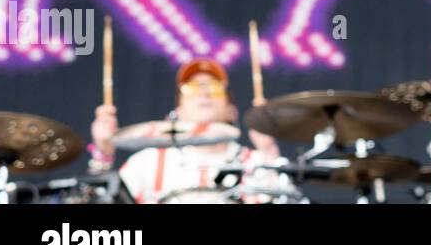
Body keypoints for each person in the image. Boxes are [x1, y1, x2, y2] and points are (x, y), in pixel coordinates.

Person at [89, 58, 289, 204]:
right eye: (192, 88)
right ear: (178, 112)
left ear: (232, 111)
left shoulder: (257, 164)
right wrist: (104, 153)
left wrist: (268, 149)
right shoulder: (148, 162)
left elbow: (288, 199)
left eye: (215, 87)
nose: (204, 92)